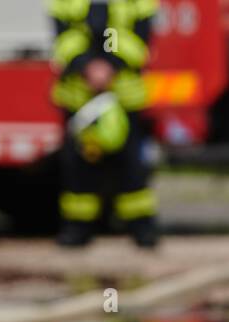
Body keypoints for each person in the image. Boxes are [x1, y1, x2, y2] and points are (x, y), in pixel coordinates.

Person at [49, 0, 159, 248]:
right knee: (77, 166)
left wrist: (110, 64)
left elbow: (141, 41)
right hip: (78, 94)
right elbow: (62, 39)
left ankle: (141, 227)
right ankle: (77, 228)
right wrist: (86, 65)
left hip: (124, 94)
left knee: (132, 166)